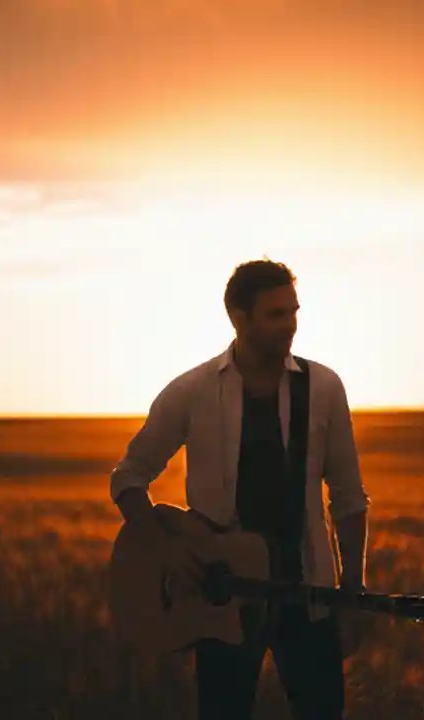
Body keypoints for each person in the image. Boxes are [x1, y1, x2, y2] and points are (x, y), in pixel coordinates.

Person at [110, 258, 373, 719]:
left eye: (293, 312)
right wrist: (165, 548)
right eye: (275, 314)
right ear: (238, 316)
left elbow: (349, 498)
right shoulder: (192, 390)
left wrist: (352, 594)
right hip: (221, 597)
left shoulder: (324, 387)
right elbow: (129, 477)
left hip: (307, 594)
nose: (290, 325)